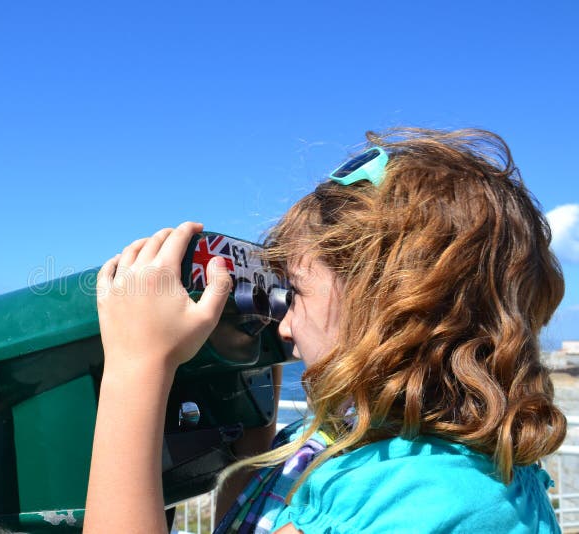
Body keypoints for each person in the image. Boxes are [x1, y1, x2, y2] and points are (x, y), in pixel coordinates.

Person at [84, 128, 566, 533]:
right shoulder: (374, 446)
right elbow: (250, 517)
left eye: (293, 294)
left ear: (386, 306)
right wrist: (255, 408)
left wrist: (137, 367)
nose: (284, 325)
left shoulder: (424, 499)